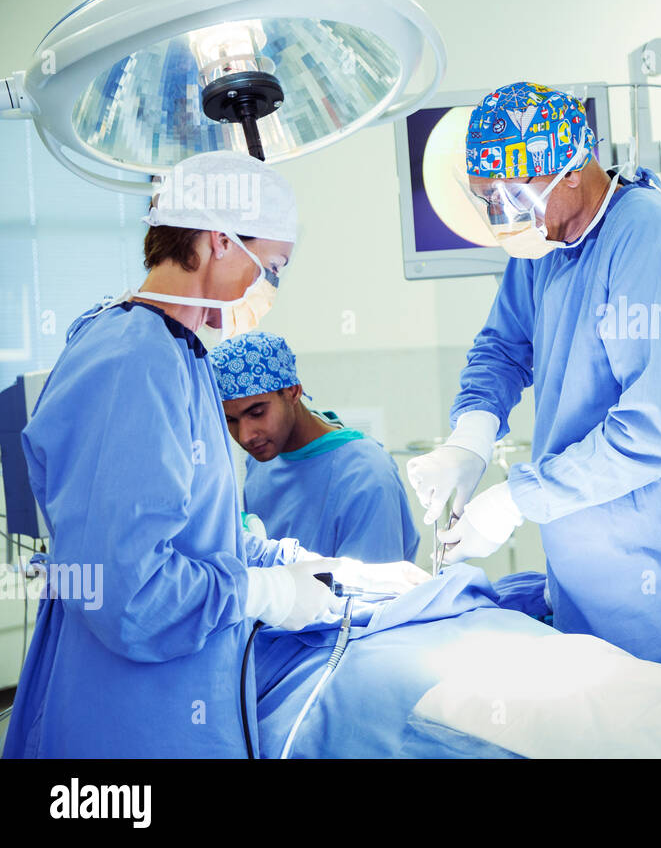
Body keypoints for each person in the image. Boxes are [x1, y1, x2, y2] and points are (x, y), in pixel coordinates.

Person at [4, 151, 422, 758]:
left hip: (176, 696)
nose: (269, 285)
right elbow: (131, 592)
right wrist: (263, 592)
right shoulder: (134, 361)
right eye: (271, 265)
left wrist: (312, 567)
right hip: (130, 722)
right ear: (220, 242)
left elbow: (205, 532)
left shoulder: (179, 353)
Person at [405, 81, 661, 669]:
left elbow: (654, 431)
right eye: (487, 199)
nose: (502, 217)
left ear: (571, 170)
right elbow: (501, 347)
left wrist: (518, 500)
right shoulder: (545, 244)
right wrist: (469, 439)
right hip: (582, 573)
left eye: (512, 196)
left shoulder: (651, 240)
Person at [212, 332, 421, 563]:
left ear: (293, 391)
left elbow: (377, 591)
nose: (245, 436)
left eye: (257, 413)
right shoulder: (261, 460)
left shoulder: (367, 474)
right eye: (230, 420)